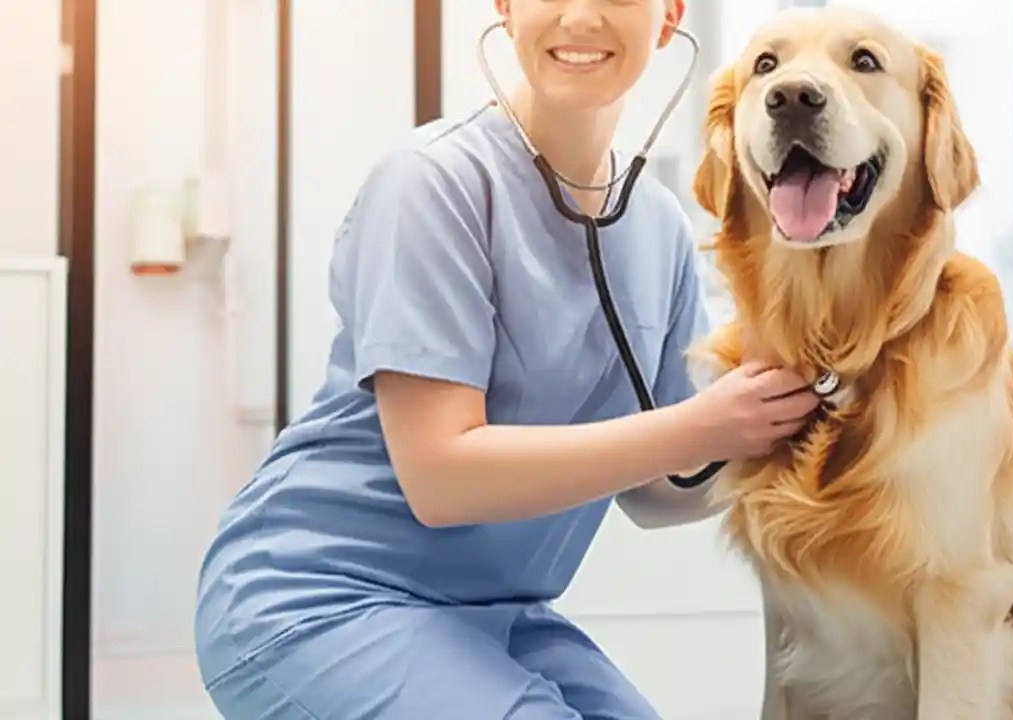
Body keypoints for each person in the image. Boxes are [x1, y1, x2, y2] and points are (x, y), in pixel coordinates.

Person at [193, 0, 821, 717]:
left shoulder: (658, 228)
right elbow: (441, 478)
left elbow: (660, 491)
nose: (580, 17)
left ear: (671, 16)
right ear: (505, 6)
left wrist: (784, 431)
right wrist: (707, 428)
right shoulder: (430, 184)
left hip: (496, 614)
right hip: (317, 595)